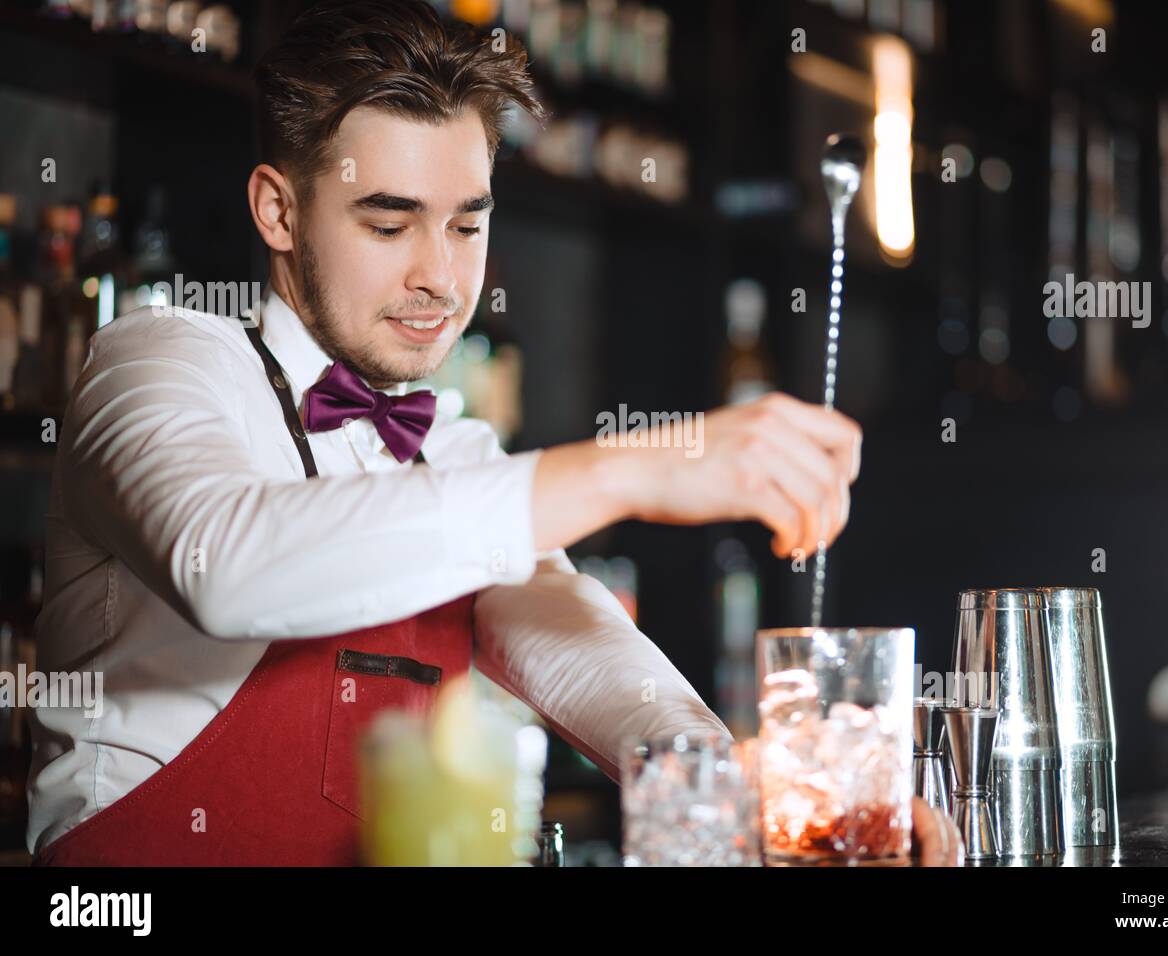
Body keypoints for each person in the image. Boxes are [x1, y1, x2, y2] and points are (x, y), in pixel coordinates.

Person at [27, 0, 959, 866]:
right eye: (389, 225)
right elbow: (224, 566)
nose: (439, 278)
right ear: (278, 209)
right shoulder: (156, 361)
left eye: (466, 227)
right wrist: (632, 467)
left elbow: (571, 637)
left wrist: (741, 785)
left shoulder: (446, 448)